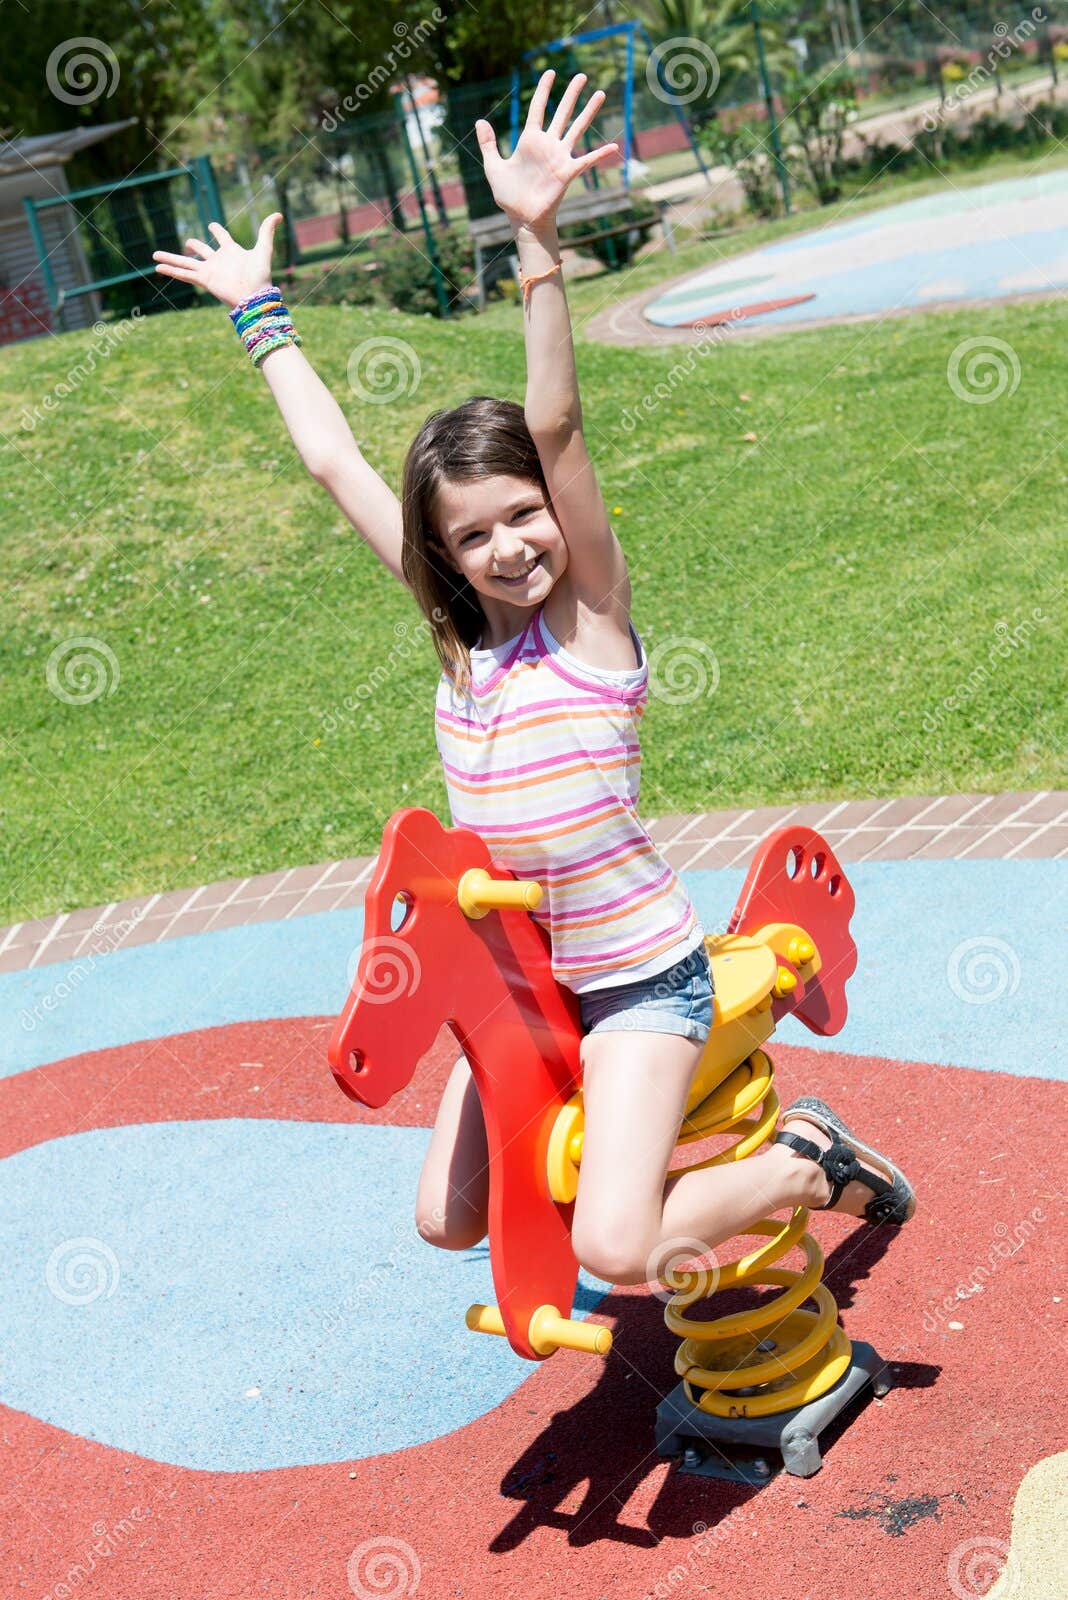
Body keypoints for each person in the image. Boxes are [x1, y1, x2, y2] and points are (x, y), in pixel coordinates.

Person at [153, 71, 913, 1292]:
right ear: (442, 555)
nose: (510, 545)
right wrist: (261, 315)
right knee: (447, 1223)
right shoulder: (465, 650)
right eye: (474, 536)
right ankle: (690, 1179)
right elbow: (331, 458)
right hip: (527, 980)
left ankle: (802, 1156)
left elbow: (556, 427)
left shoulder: (591, 624)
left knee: (616, 1249)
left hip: (639, 984)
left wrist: (536, 240)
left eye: (523, 516)